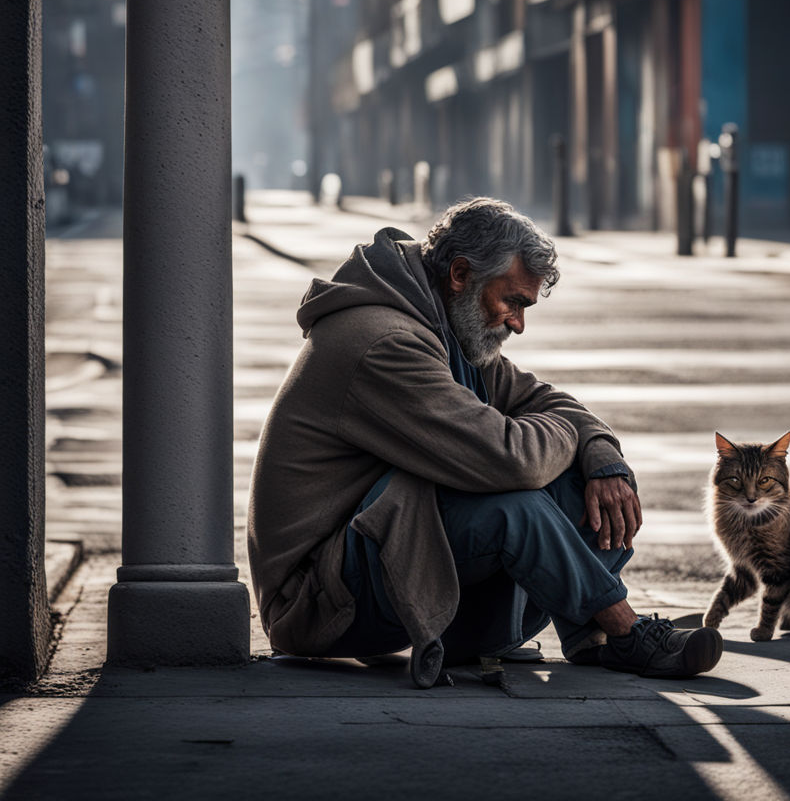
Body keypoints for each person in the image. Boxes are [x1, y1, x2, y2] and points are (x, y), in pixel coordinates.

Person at [247, 197, 723, 686]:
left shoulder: (445, 319)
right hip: (318, 602)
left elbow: (544, 400)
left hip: (387, 559)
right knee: (514, 506)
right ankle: (627, 632)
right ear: (459, 274)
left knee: (588, 479)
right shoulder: (385, 343)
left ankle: (589, 631)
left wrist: (601, 456)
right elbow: (509, 460)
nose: (517, 322)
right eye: (512, 301)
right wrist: (569, 436)